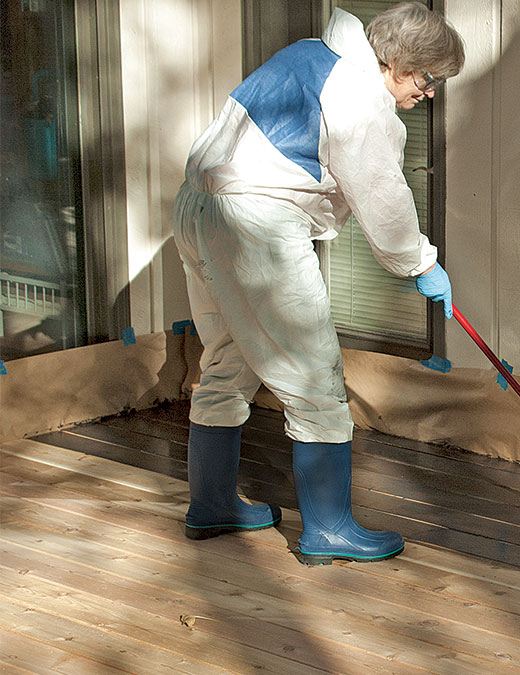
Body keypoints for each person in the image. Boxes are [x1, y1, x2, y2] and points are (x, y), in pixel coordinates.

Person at [173, 3, 464, 565]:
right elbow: (381, 193)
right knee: (315, 375)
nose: (429, 93)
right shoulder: (359, 95)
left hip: (198, 209)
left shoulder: (310, 55)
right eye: (427, 80)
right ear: (397, 62)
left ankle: (212, 504)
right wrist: (419, 263)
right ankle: (328, 529)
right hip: (254, 225)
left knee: (228, 358)